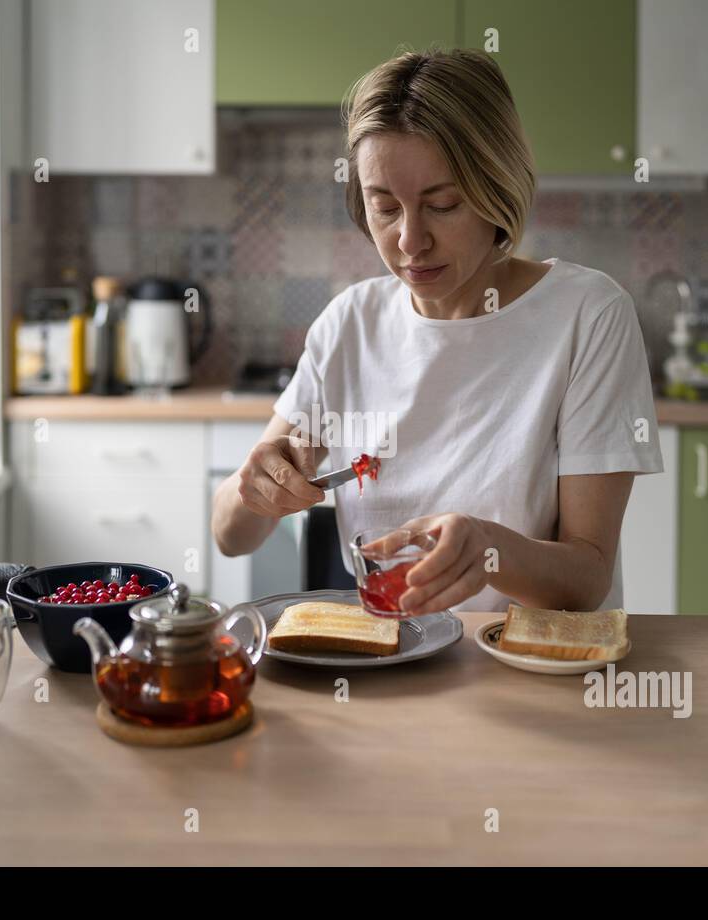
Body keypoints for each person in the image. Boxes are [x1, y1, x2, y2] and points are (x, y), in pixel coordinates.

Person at [211, 48, 662, 615]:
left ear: (496, 188)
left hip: (529, 674)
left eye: (442, 205)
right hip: (390, 665)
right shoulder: (349, 326)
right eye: (385, 208)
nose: (410, 241)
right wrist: (256, 488)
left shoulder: (588, 315)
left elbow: (588, 576)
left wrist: (491, 549)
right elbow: (231, 536)